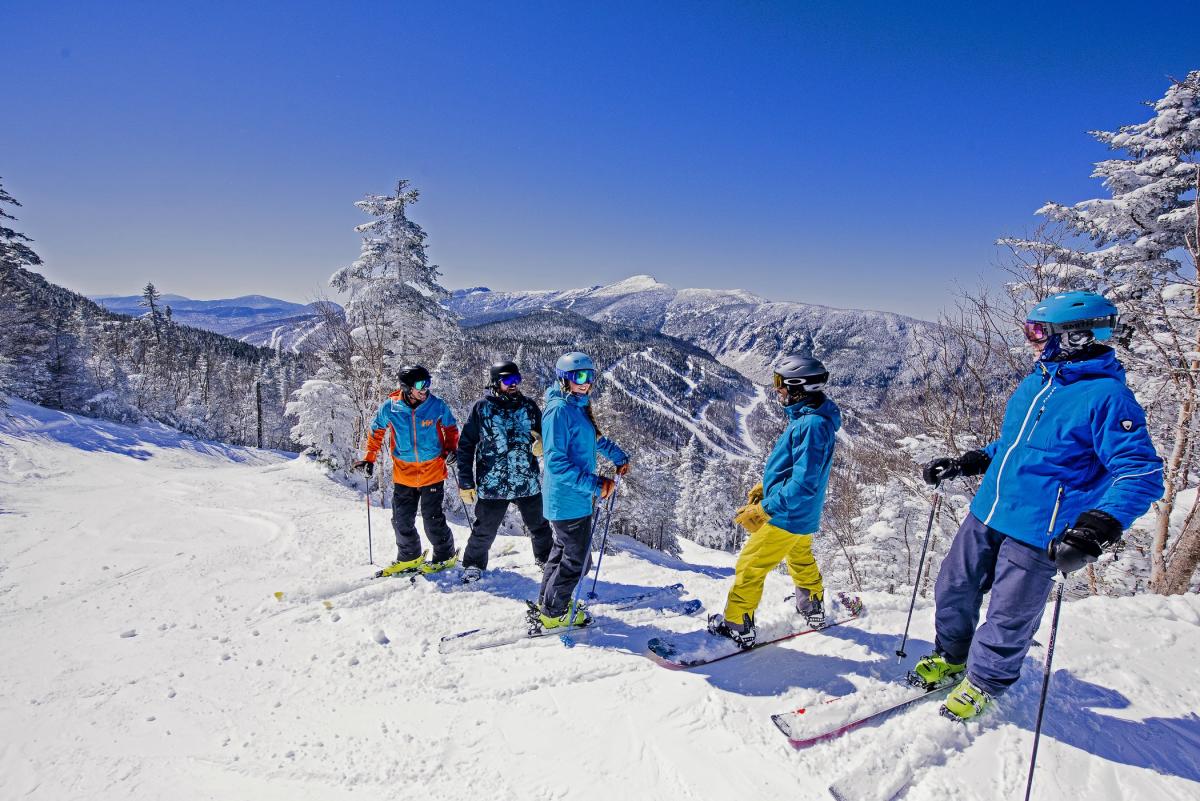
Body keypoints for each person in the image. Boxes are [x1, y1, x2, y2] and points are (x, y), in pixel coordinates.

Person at [913, 291, 1163, 721]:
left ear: (1076, 337)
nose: (1030, 340)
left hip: (1040, 528)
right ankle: (953, 658)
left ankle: (985, 682)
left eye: (1037, 331)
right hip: (989, 510)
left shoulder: (1108, 398)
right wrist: (970, 461)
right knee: (953, 588)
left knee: (1009, 614)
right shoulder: (1038, 381)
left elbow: (1140, 473)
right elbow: (1018, 445)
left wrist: (1098, 525)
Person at [707, 355, 841, 648]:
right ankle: (812, 606)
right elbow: (798, 470)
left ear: (799, 386)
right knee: (800, 558)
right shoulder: (812, 419)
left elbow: (804, 483)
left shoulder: (811, 425)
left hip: (786, 515)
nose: (776, 389)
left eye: (780, 383)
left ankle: (737, 624)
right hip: (802, 515)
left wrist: (765, 507)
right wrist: (765, 487)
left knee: (750, 565)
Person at [536, 351, 630, 629]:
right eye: (578, 376)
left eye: (589, 376)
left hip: (572, 499)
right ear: (564, 379)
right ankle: (554, 614)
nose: (585, 382)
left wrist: (618, 456)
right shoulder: (559, 411)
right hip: (567, 500)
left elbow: (592, 439)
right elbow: (555, 463)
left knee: (562, 552)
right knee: (577, 562)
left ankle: (548, 603)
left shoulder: (575, 406)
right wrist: (595, 484)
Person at [354, 365, 460, 576]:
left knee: (432, 520)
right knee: (401, 520)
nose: (425, 389)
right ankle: (409, 557)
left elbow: (451, 428)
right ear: (407, 387)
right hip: (404, 474)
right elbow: (376, 432)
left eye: (428, 383)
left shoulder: (436, 405)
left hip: (432, 472)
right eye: (421, 385)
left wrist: (451, 450)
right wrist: (369, 459)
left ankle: (445, 556)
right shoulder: (391, 407)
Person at [455, 360, 554, 583]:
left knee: (539, 526)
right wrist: (466, 482)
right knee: (485, 529)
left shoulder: (529, 407)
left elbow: (547, 437)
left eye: (517, 380)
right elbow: (466, 445)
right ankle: (473, 564)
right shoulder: (483, 408)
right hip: (493, 482)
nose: (513, 384)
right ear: (495, 383)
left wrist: (542, 444)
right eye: (508, 380)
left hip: (525, 480)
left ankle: (547, 560)